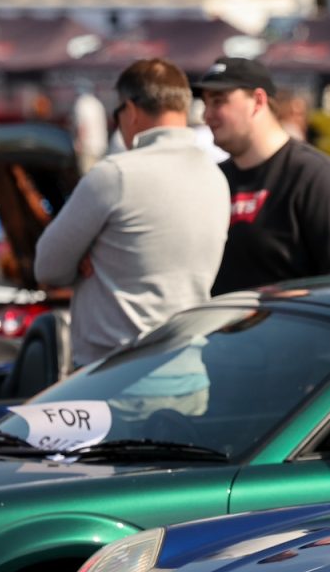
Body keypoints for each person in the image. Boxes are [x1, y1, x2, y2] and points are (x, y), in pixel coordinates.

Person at [34, 58, 229, 367]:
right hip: (188, 367)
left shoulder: (115, 174)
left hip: (114, 375)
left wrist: (93, 253)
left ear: (131, 110)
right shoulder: (216, 177)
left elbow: (47, 267)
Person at [196, 57, 330, 295]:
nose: (207, 115)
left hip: (295, 330)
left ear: (258, 101)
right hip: (218, 330)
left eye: (218, 101)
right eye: (205, 104)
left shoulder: (317, 178)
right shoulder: (214, 179)